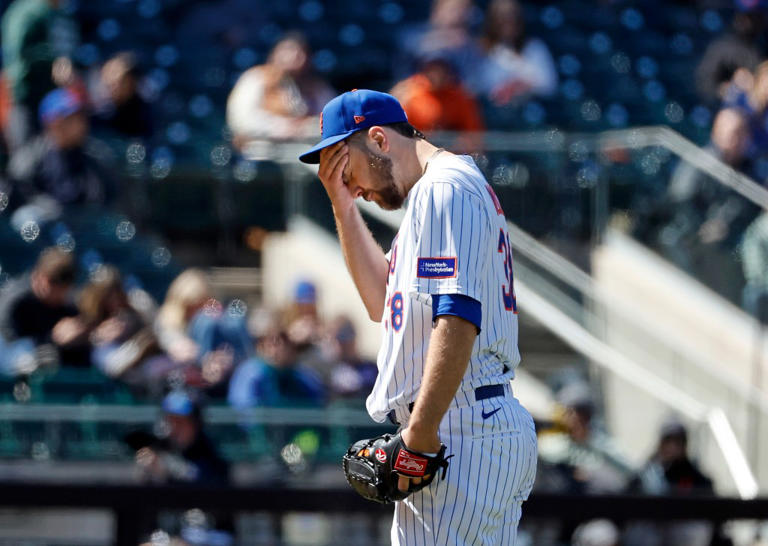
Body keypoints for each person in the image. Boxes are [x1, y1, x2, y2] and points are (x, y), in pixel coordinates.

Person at [299, 89, 537, 544]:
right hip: (471, 424)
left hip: (458, 427)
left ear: (378, 140)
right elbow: (378, 300)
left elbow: (458, 316)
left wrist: (421, 434)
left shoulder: (443, 188)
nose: (351, 185)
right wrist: (341, 205)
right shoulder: (435, 193)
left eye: (345, 168)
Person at [7, 87, 115, 212]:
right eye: (72, 118)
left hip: (86, 224)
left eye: (81, 116)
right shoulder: (32, 158)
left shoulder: (94, 155)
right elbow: (20, 194)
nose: (81, 123)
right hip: (46, 225)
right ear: (52, 123)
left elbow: (107, 194)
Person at [226, 33, 334, 149]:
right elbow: (242, 119)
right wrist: (282, 127)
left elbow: (333, 120)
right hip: (262, 150)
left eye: (300, 52)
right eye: (288, 50)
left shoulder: (316, 87)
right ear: (275, 53)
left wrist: (307, 127)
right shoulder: (256, 78)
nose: (294, 56)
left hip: (305, 148)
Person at [1, 0, 78, 150]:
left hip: (54, 101)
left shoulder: (63, 14)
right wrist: (53, 60)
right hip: (27, 97)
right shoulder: (27, 11)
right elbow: (19, 54)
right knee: (26, 157)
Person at [473, 0, 557, 104]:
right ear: (492, 19)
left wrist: (523, 86)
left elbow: (549, 86)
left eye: (513, 15)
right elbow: (476, 87)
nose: (509, 20)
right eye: (502, 16)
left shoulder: (534, 47)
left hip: (528, 108)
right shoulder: (478, 49)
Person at [227, 325, 325, 409]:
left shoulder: (302, 376)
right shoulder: (251, 372)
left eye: (281, 344)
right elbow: (244, 408)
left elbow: (317, 402)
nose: (275, 350)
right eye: (270, 344)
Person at [390, 55, 485, 133]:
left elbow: (473, 133)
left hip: (452, 152)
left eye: (440, 69)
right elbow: (398, 129)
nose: (436, 74)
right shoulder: (409, 92)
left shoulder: (460, 96)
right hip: (416, 148)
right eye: (431, 69)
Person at [92, 52, 153, 140]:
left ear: (132, 82)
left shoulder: (144, 115)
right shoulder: (96, 113)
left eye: (118, 81)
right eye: (108, 78)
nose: (111, 85)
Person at [325, 316, 378, 400]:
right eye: (338, 338)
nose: (343, 344)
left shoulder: (371, 370)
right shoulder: (324, 371)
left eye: (347, 337)